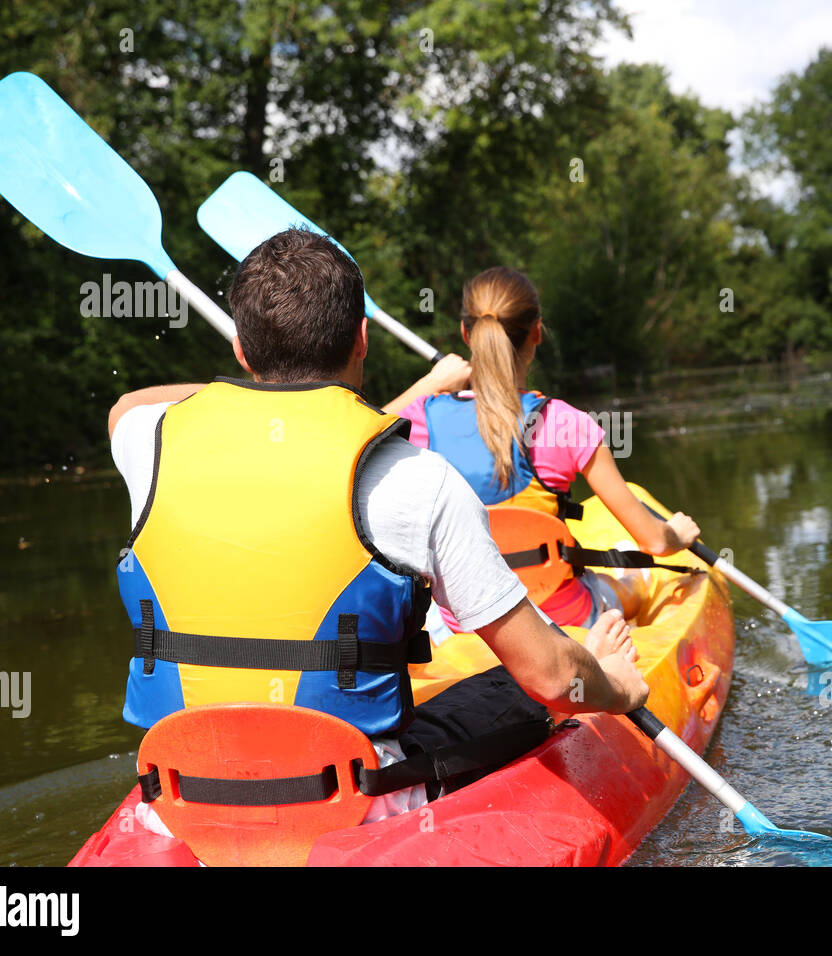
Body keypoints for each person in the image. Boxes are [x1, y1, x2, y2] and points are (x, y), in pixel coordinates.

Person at [106, 229, 648, 830]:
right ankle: (599, 661)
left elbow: (128, 404)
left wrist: (250, 395)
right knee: (525, 689)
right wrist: (618, 688)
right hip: (358, 804)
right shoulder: (421, 481)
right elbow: (549, 677)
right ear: (363, 339)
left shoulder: (146, 445)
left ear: (240, 352)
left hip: (178, 796)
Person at [397, 266, 701, 629]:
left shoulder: (421, 419)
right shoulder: (565, 422)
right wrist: (676, 535)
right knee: (634, 580)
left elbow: (358, 441)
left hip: (465, 625)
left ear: (466, 332)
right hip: (560, 618)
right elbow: (654, 542)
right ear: (537, 333)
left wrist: (430, 382)